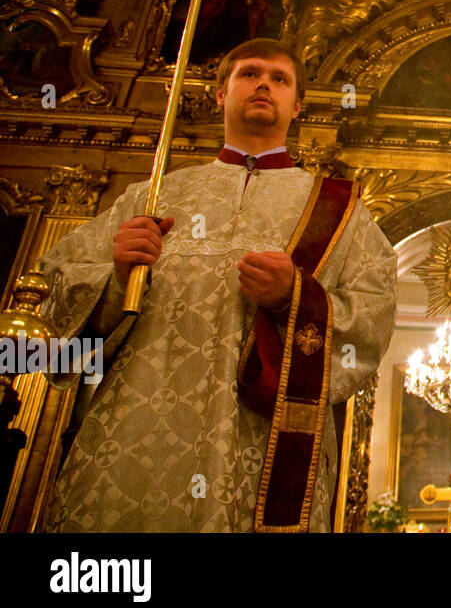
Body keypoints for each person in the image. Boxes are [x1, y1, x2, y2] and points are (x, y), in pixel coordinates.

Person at [38, 38, 397, 532]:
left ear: (298, 105)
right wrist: (117, 278)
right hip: (133, 428)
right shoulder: (151, 196)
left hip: (260, 440)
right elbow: (53, 317)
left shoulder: (341, 212)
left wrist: (296, 295)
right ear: (219, 93)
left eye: (280, 78)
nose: (264, 84)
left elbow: (373, 317)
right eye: (249, 73)